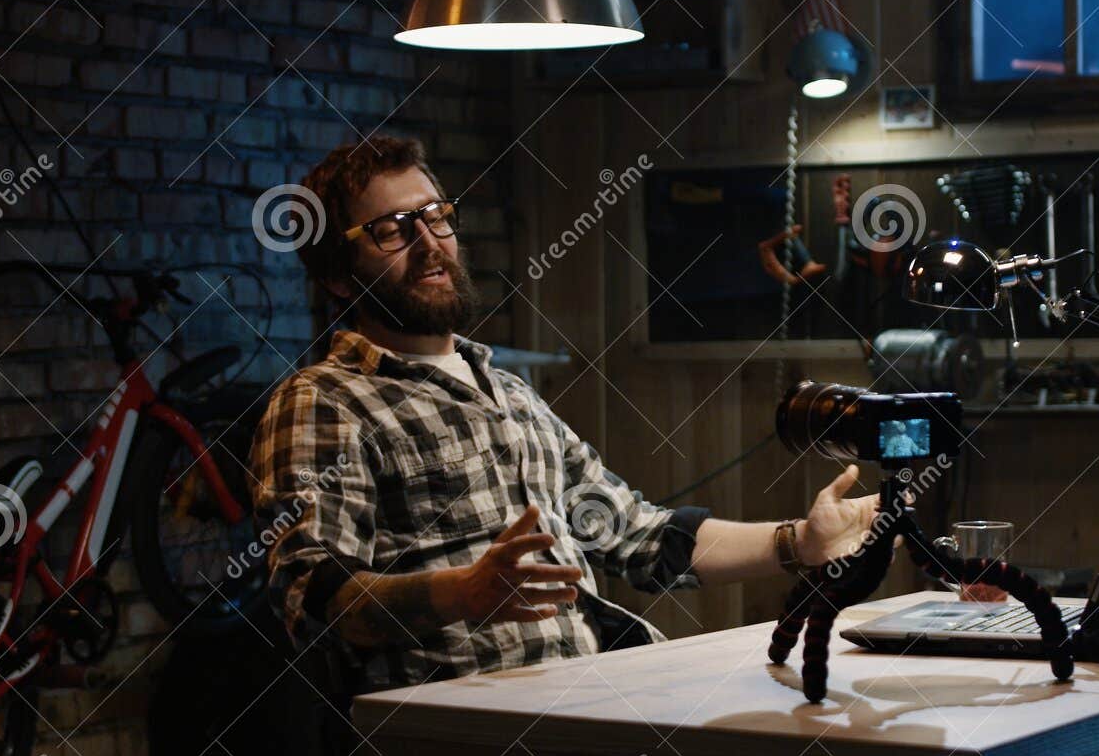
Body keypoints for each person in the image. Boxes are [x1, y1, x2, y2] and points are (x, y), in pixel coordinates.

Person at [251, 136, 881, 697]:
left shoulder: (508, 393)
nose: (430, 244)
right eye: (392, 229)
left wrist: (802, 541)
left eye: (436, 217)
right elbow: (312, 598)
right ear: (338, 277)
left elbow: (640, 535)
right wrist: (464, 592)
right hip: (458, 736)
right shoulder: (325, 400)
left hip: (587, 702)